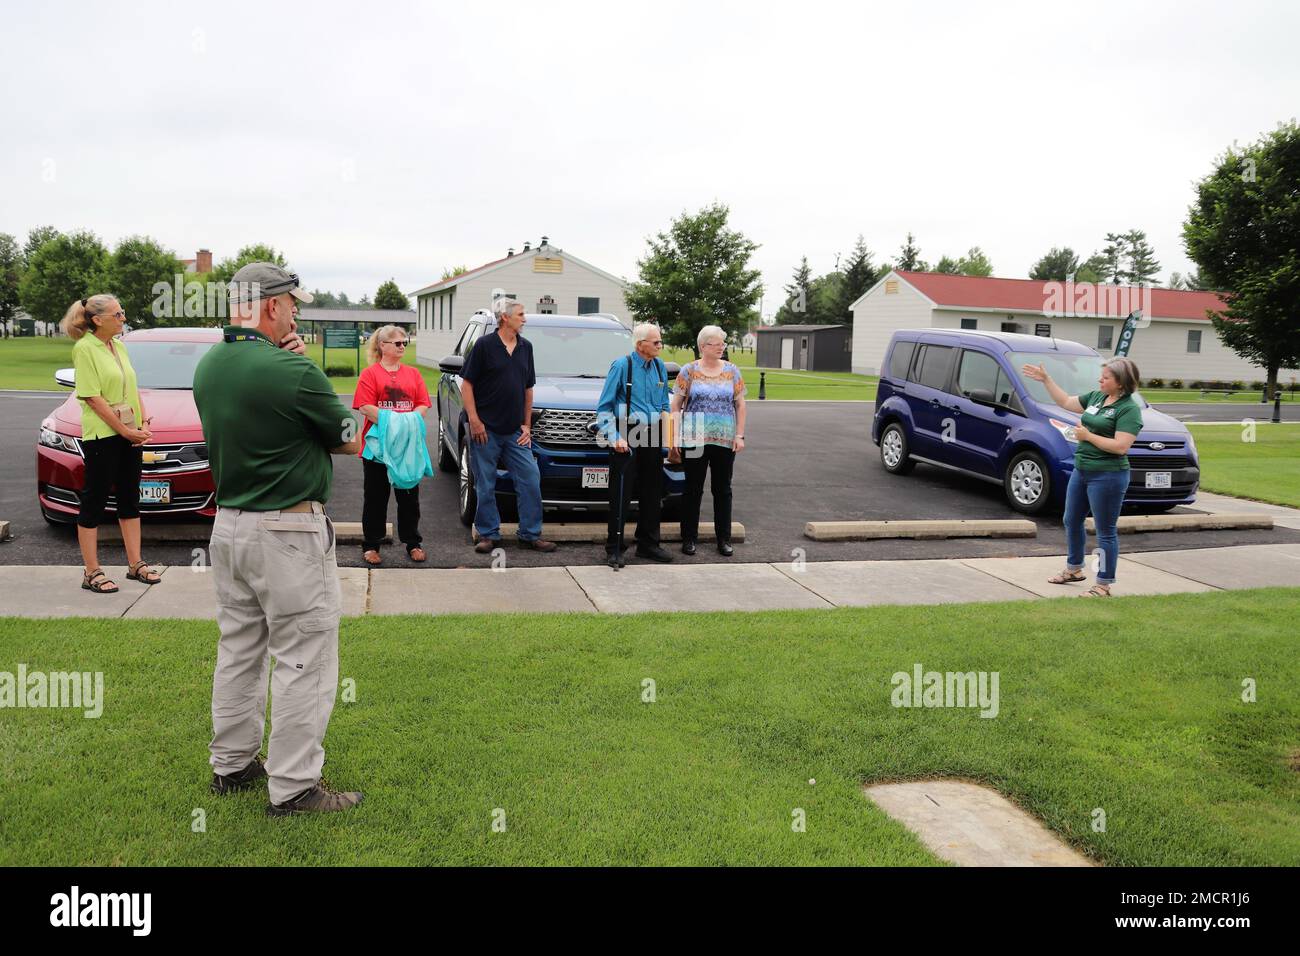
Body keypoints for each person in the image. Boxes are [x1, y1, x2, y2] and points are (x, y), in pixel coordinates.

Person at [193, 262, 364, 816]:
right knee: (303, 656)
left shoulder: (211, 364)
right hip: (287, 529)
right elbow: (348, 439)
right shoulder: (294, 372)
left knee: (239, 648)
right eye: (293, 303)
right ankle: (293, 788)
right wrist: (346, 402)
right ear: (271, 306)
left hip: (230, 526)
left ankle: (234, 764)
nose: (297, 312)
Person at [63, 294, 161, 593]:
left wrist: (143, 423)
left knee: (130, 499)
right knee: (94, 500)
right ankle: (92, 572)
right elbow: (92, 398)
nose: (123, 318)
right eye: (118, 315)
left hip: (129, 434)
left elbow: (133, 387)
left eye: (122, 313)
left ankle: (136, 565)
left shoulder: (118, 346)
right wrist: (123, 431)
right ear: (97, 319)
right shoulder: (85, 349)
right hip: (102, 436)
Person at [1022, 357, 1144, 597]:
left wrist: (1087, 436)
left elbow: (1121, 446)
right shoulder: (1097, 397)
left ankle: (1103, 583)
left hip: (1108, 475)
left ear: (1121, 383)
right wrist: (1046, 380)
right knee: (1071, 519)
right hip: (1083, 469)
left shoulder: (1128, 409)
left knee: (1105, 530)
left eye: (1106, 377)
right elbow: (1066, 401)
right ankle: (1074, 569)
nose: (1100, 379)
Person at [460, 298, 557, 554]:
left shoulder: (526, 347)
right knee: (485, 483)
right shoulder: (484, 346)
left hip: (515, 432)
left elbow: (528, 390)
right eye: (521, 314)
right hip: (486, 430)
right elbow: (466, 385)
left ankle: (530, 534)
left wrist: (527, 426)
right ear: (505, 318)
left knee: (530, 479)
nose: (525, 319)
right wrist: (475, 420)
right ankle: (489, 534)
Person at [595, 322, 673, 566]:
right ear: (641, 345)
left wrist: (669, 438)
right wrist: (615, 437)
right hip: (625, 435)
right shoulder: (622, 366)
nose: (661, 345)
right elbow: (603, 409)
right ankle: (614, 549)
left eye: (660, 341)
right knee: (621, 494)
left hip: (652, 435)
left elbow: (664, 405)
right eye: (656, 342)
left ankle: (649, 545)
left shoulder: (659, 366)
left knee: (653, 493)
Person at [353, 324, 430, 565]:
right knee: (375, 498)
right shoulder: (370, 374)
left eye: (404, 342)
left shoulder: (413, 374)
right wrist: (395, 422)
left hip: (406, 446)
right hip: (378, 448)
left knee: (409, 496)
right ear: (382, 345)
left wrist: (407, 423)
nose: (402, 346)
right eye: (397, 343)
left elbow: (422, 404)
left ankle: (413, 542)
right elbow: (365, 406)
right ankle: (372, 544)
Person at [670, 325, 746, 556]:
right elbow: (676, 405)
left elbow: (740, 404)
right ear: (703, 346)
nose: (722, 347)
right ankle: (688, 538)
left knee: (723, 490)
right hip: (693, 437)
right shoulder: (689, 370)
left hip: (724, 439)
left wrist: (739, 435)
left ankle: (723, 539)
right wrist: (674, 436)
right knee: (692, 489)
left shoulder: (732, 371)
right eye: (717, 344)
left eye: (723, 343)